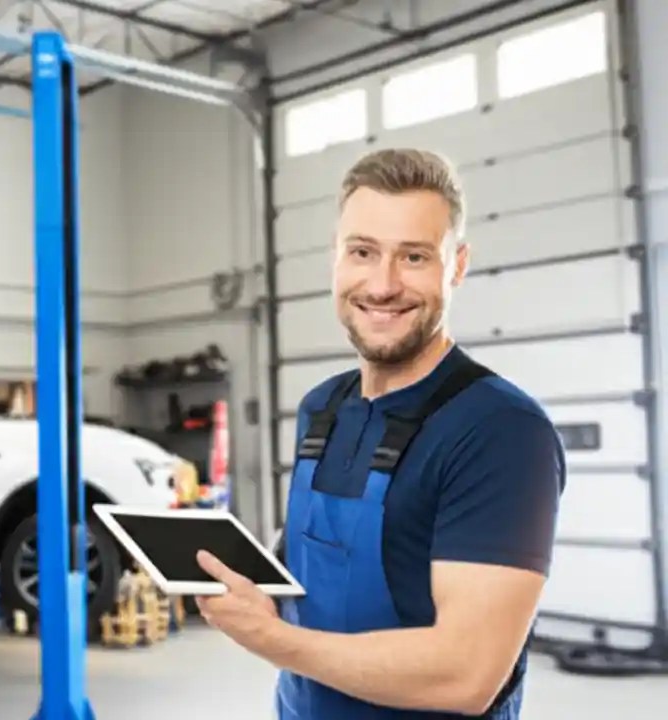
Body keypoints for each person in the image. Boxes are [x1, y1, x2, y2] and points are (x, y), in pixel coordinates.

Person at [195, 148, 566, 719]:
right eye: (363, 252)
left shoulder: (501, 432)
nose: (383, 284)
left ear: (457, 265)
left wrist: (272, 639)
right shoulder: (323, 407)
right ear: (335, 261)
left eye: (414, 257)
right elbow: (320, 573)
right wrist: (252, 581)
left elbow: (466, 675)